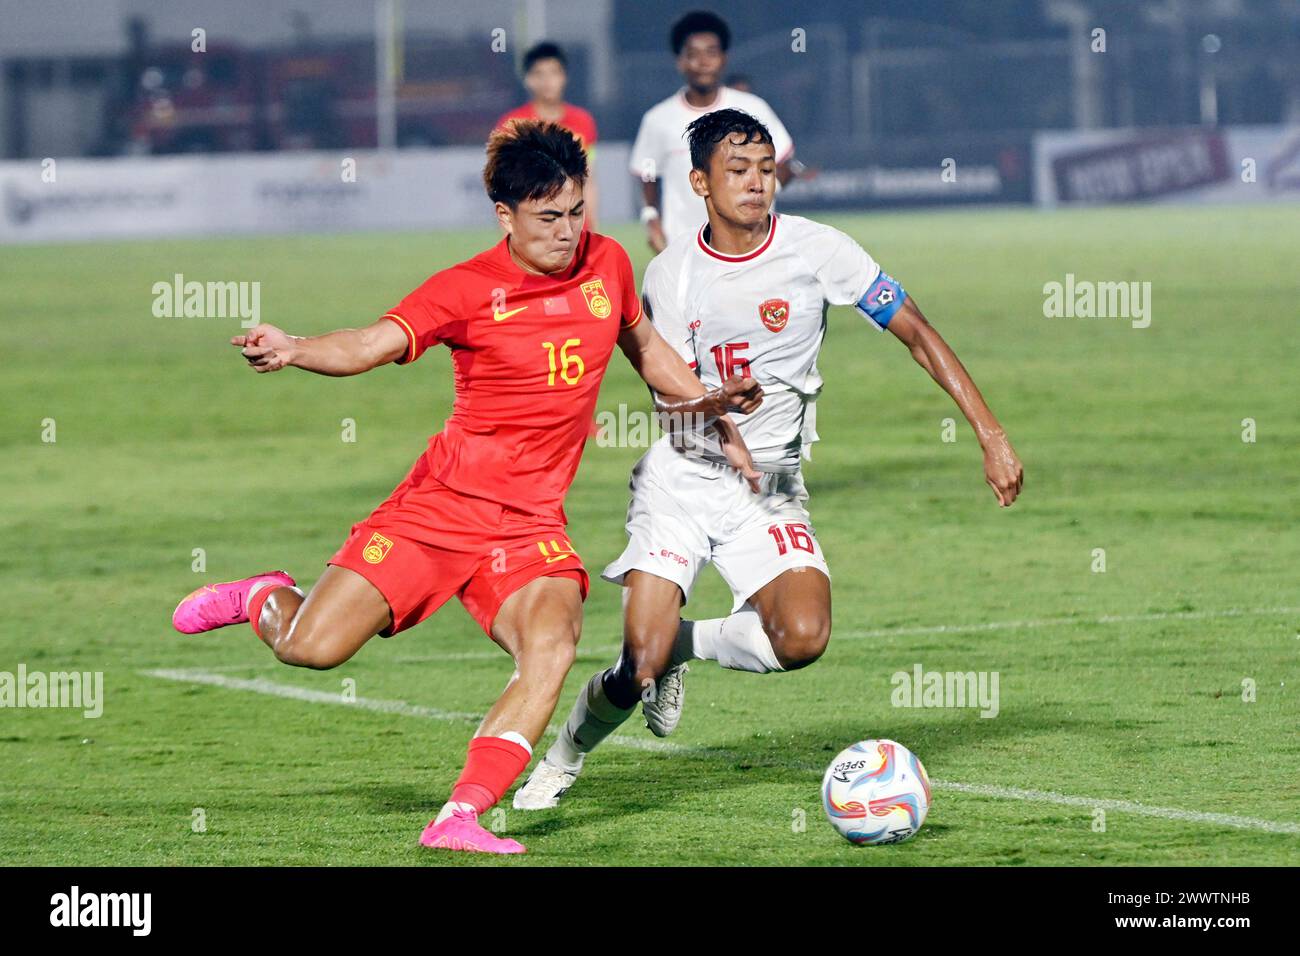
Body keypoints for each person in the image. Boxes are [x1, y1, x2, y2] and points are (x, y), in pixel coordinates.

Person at [170, 120, 762, 854]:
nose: (567, 231)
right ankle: (265, 597)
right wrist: (294, 349)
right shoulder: (467, 290)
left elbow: (648, 354)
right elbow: (367, 344)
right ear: (505, 216)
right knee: (310, 650)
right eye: (548, 218)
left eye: (577, 211)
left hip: (530, 525)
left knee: (552, 647)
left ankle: (461, 815)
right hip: (438, 510)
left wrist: (711, 404)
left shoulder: (606, 265)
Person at [514, 109, 1024, 809]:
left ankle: (684, 647)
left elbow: (916, 330)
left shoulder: (821, 249)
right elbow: (668, 405)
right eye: (736, 171)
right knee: (636, 666)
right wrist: (718, 402)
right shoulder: (671, 274)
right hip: (685, 482)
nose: (756, 184)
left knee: (803, 636)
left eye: (764, 170)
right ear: (700, 182)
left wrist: (989, 433)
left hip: (773, 485)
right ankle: (566, 753)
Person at [629, 10, 804, 251]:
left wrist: (761, 194)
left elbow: (786, 162)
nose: (703, 62)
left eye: (711, 53)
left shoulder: (753, 108)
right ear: (680, 61)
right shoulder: (658, 119)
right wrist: (651, 218)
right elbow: (648, 170)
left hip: (751, 244)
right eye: (693, 54)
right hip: (685, 247)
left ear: (723, 58)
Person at [496, 41, 600, 227]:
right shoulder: (512, 124)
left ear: (564, 77)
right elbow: (505, 189)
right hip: (532, 231)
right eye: (539, 74)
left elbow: (588, 179)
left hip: (574, 229)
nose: (547, 81)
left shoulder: (583, 121)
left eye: (554, 72)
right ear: (527, 79)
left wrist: (592, 228)